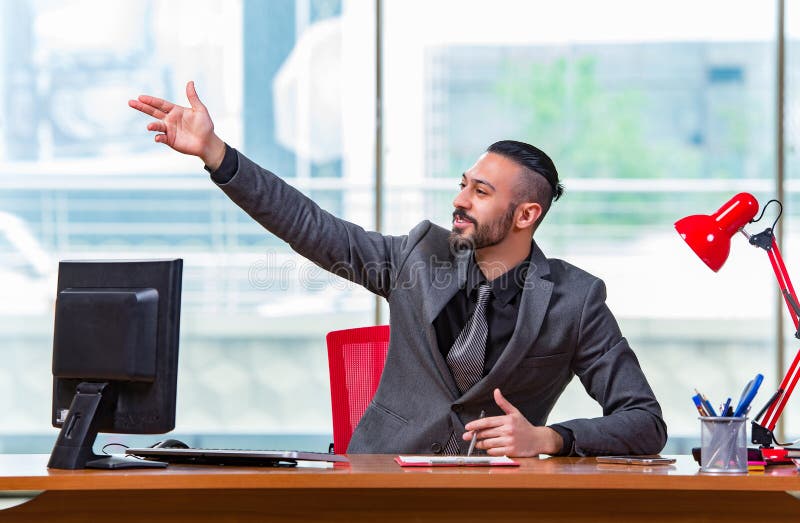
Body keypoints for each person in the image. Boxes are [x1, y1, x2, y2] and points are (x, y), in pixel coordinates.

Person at [129, 81, 667, 456]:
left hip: (494, 496)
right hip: (379, 478)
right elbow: (308, 223)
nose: (459, 200)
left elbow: (644, 421)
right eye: (463, 183)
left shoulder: (575, 299)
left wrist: (550, 439)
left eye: (480, 192)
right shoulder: (417, 257)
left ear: (527, 215)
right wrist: (216, 154)